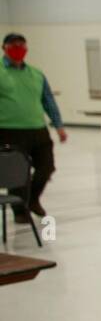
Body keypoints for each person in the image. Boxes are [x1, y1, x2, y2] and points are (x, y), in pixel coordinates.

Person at [0, 33, 67, 223]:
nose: (18, 48)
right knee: (17, 171)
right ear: (3, 47)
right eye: (13, 45)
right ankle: (20, 210)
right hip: (8, 130)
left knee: (47, 166)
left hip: (37, 128)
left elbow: (48, 101)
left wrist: (59, 125)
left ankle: (33, 199)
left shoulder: (36, 74)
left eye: (21, 45)